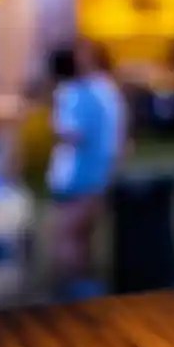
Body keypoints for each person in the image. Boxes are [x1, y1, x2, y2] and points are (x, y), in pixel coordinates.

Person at [47, 44, 122, 300]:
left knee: (69, 234)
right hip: (100, 172)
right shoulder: (107, 91)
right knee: (84, 234)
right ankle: (82, 285)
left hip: (78, 174)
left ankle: (71, 289)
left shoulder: (77, 94)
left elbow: (72, 133)